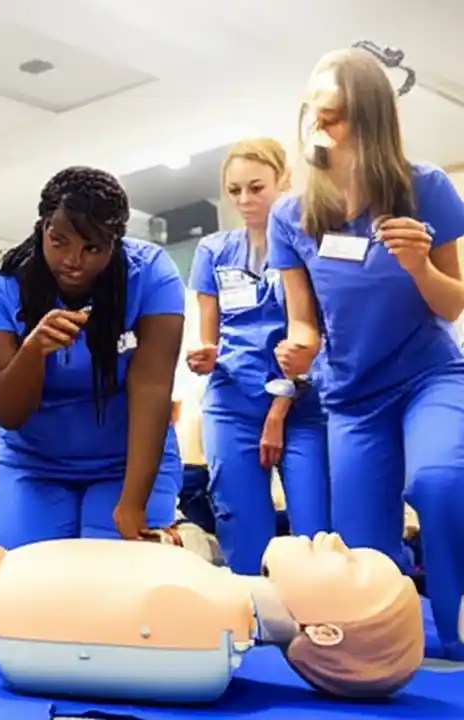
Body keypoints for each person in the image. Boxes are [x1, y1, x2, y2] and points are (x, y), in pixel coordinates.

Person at [270, 47, 464, 659]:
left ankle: (457, 628)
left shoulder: (424, 188)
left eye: (332, 117)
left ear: (370, 118)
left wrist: (416, 265)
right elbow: (305, 326)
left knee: (438, 483)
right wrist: (293, 353)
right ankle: (399, 639)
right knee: (366, 559)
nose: (315, 129)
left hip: (427, 374)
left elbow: (452, 304)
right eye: (310, 114)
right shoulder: (291, 215)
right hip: (352, 395)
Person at [0, 167, 185, 548]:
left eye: (93, 248)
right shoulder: (0, 288)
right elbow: (6, 412)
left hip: (126, 464)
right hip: (34, 465)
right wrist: (32, 351)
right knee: (30, 577)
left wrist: (133, 502)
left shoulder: (151, 275)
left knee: (114, 578)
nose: (74, 260)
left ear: (115, 243)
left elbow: (152, 387)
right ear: (42, 228)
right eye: (60, 242)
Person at [185, 139, 330, 575]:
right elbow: (210, 336)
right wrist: (203, 357)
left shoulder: (311, 244)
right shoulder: (214, 251)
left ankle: (319, 627)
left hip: (303, 404)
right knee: (241, 528)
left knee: (314, 532)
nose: (245, 201)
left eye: (256, 187)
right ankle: (251, 624)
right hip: (232, 404)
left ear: (283, 180)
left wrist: (279, 410)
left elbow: (316, 334)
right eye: (234, 191)